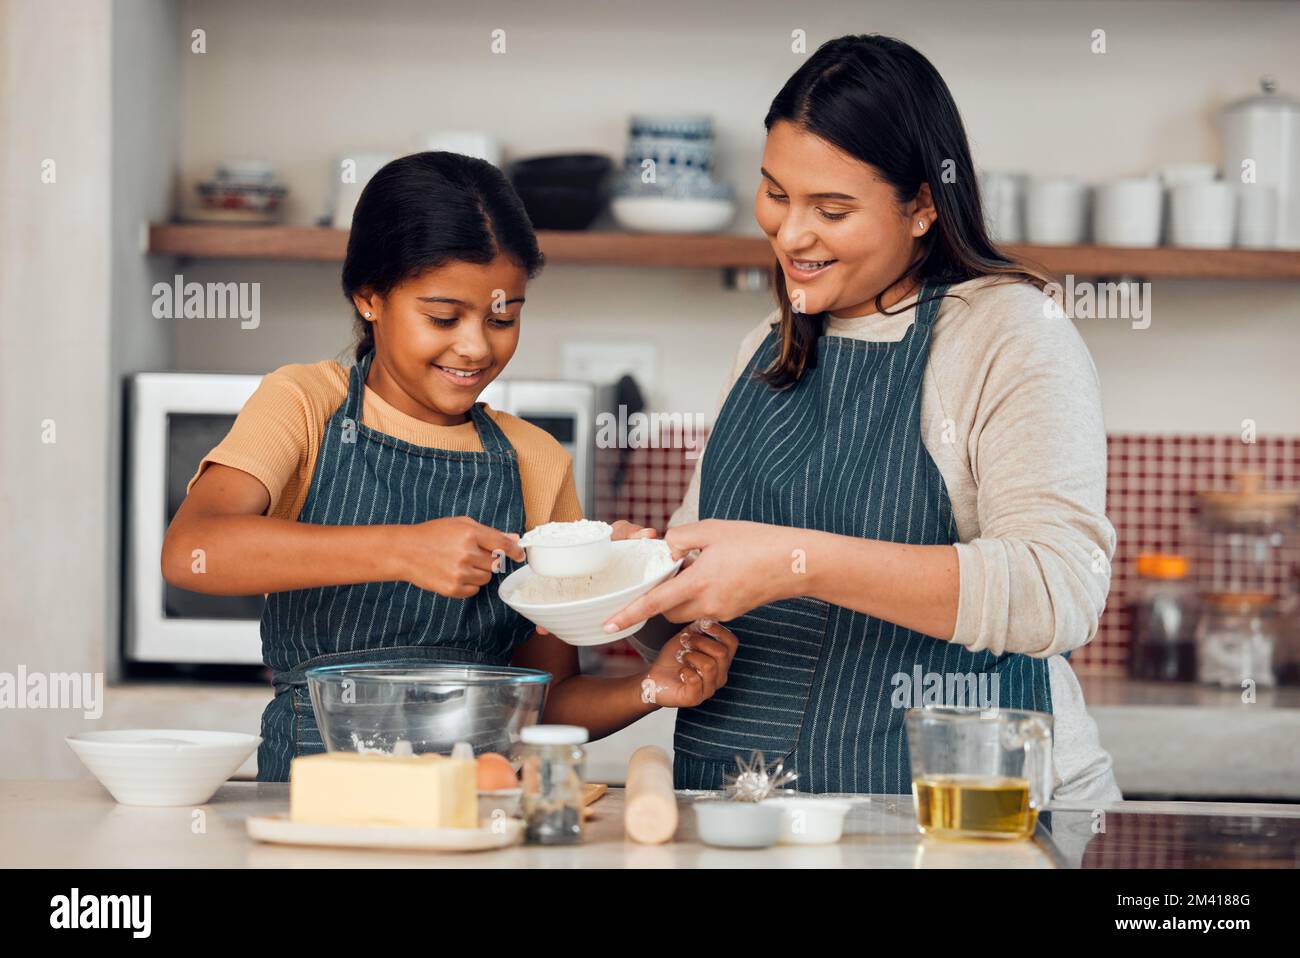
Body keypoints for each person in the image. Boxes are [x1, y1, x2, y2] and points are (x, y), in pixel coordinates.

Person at [606, 35, 1123, 802]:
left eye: (833, 209)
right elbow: (708, 620)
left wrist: (793, 562)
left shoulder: (1008, 332)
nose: (790, 235)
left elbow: (1058, 589)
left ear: (921, 205)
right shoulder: (764, 348)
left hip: (964, 820)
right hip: (751, 821)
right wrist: (643, 593)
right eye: (776, 194)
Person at [162, 151, 737, 781]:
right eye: (443, 317)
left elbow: (544, 704)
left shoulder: (535, 459)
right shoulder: (304, 404)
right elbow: (195, 549)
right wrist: (402, 551)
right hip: (318, 802)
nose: (475, 347)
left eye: (503, 317)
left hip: (479, 810)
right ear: (370, 297)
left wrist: (649, 686)